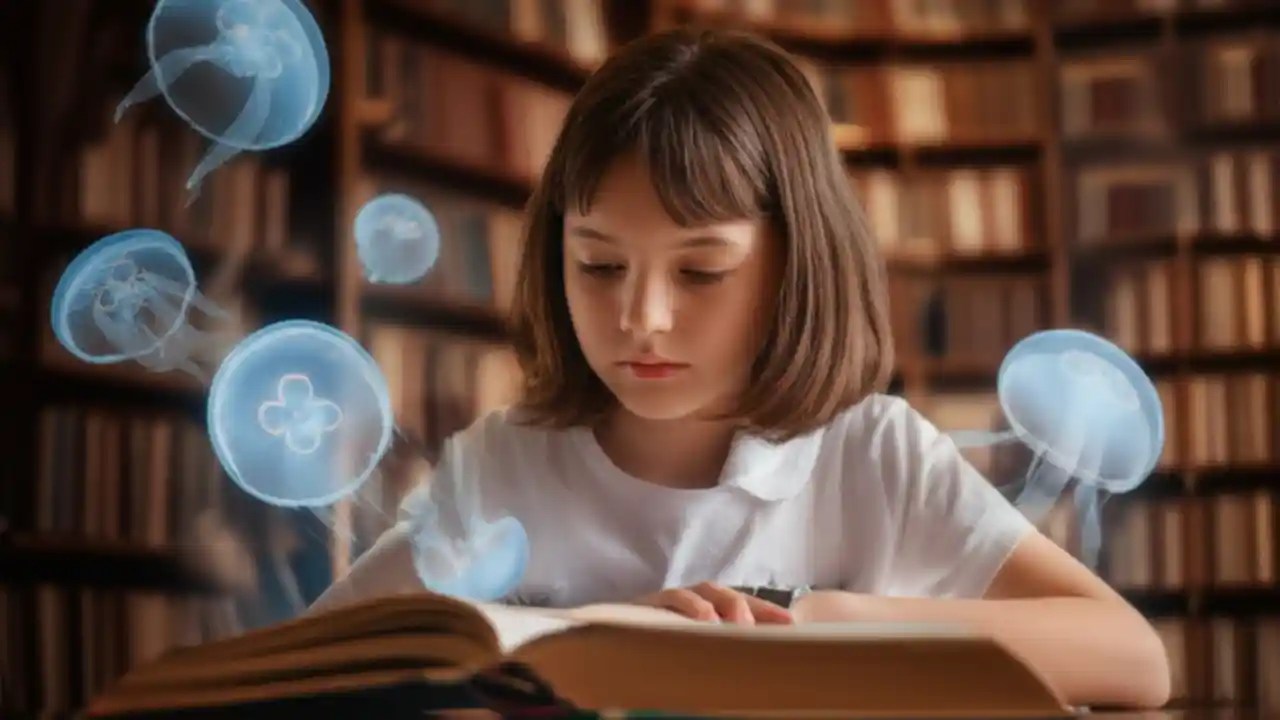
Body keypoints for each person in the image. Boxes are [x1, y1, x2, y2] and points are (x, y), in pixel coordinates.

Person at [310, 27, 1170, 709]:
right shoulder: (503, 467)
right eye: (599, 266)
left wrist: (821, 621)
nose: (640, 319)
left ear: (795, 266)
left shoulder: (872, 456)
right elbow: (310, 670)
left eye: (700, 272)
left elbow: (1132, 658)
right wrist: (594, 640)